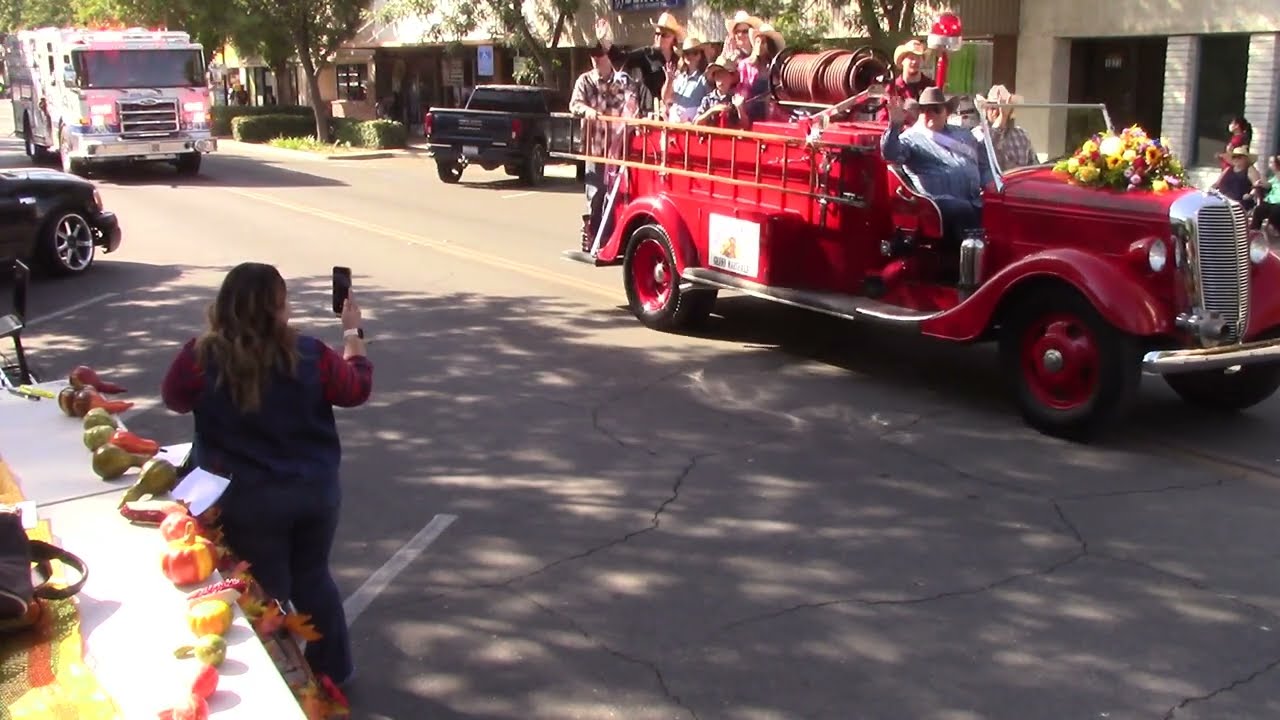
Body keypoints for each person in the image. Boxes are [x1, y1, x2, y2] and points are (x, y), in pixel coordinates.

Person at [160, 262, 373, 688]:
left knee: (259, 591)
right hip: (313, 492)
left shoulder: (199, 358)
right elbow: (356, 389)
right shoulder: (312, 354)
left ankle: (275, 679)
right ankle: (333, 672)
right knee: (313, 576)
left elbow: (174, 399)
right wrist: (352, 333)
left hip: (244, 501)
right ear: (279, 308)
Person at [881, 87, 992, 239]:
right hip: (935, 208)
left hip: (973, 201)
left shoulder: (964, 135)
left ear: (946, 112)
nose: (929, 114)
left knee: (998, 207)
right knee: (962, 208)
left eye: (936, 109)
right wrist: (895, 126)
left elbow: (984, 166)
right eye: (924, 110)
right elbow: (890, 153)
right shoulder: (910, 139)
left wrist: (993, 188)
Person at [570, 42, 643, 251]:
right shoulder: (585, 80)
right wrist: (587, 111)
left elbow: (631, 105)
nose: (596, 58)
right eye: (592, 54)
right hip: (596, 147)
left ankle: (609, 240)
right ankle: (592, 236)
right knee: (596, 194)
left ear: (608, 56)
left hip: (619, 148)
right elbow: (574, 104)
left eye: (600, 54)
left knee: (616, 196)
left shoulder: (623, 80)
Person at [599, 12, 684, 105]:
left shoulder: (678, 59)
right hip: (649, 109)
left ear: (673, 38)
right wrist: (605, 41)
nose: (659, 37)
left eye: (664, 35)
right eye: (657, 34)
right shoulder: (647, 53)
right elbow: (621, 59)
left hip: (672, 112)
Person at [972, 84, 1038, 171]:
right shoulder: (978, 133)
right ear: (986, 110)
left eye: (1002, 108)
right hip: (993, 184)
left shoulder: (1021, 135)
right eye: (993, 107)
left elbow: (1034, 167)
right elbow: (988, 146)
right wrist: (1003, 117)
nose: (997, 112)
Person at [736, 23, 785, 124]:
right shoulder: (745, 65)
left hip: (771, 112)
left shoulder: (776, 67)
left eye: (763, 42)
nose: (759, 45)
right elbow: (742, 90)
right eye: (757, 42)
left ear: (769, 46)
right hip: (750, 110)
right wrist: (741, 109)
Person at [662, 36, 712, 122]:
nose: (690, 56)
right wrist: (669, 79)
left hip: (692, 125)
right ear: (683, 56)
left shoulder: (705, 77)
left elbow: (710, 102)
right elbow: (666, 98)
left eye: (695, 53)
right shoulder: (678, 77)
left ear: (701, 55)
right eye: (687, 53)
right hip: (674, 121)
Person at [694, 61, 745, 129]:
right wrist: (712, 111)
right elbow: (696, 123)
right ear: (714, 79)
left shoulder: (736, 99)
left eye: (724, 76)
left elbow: (745, 126)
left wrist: (740, 108)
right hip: (710, 138)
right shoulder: (707, 99)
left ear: (731, 78)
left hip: (729, 138)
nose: (720, 81)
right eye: (718, 76)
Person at [1252, 155, 1280, 232]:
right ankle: (1254, 230)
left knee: (1275, 212)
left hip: (1278, 203)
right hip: (1271, 201)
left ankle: (1276, 229)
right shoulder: (1273, 176)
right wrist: (1259, 184)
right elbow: (1269, 185)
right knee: (1259, 210)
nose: (1269, 165)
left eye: (1271, 162)